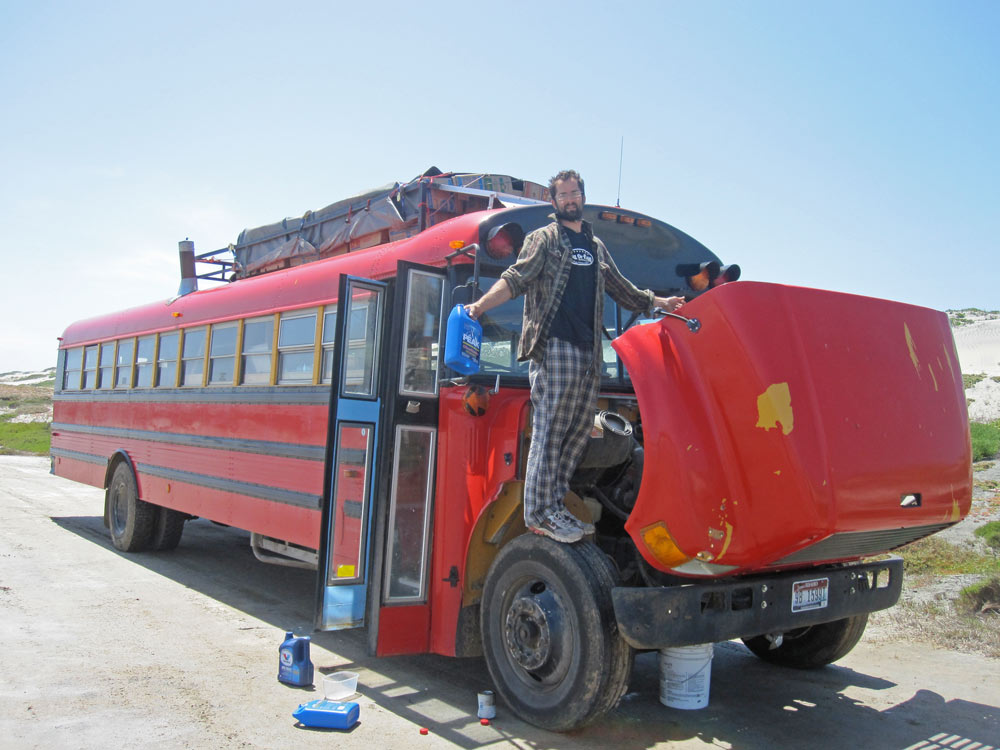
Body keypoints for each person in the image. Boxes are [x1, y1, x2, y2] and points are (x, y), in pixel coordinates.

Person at [466, 169, 684, 543]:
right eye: (563, 194)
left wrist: (660, 302)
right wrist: (481, 307)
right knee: (550, 428)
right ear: (554, 202)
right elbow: (516, 278)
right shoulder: (544, 240)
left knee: (578, 431)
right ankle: (538, 511)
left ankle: (554, 505)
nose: (570, 199)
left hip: (587, 351)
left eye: (574, 193)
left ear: (582, 196)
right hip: (554, 346)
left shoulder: (596, 248)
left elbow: (623, 289)